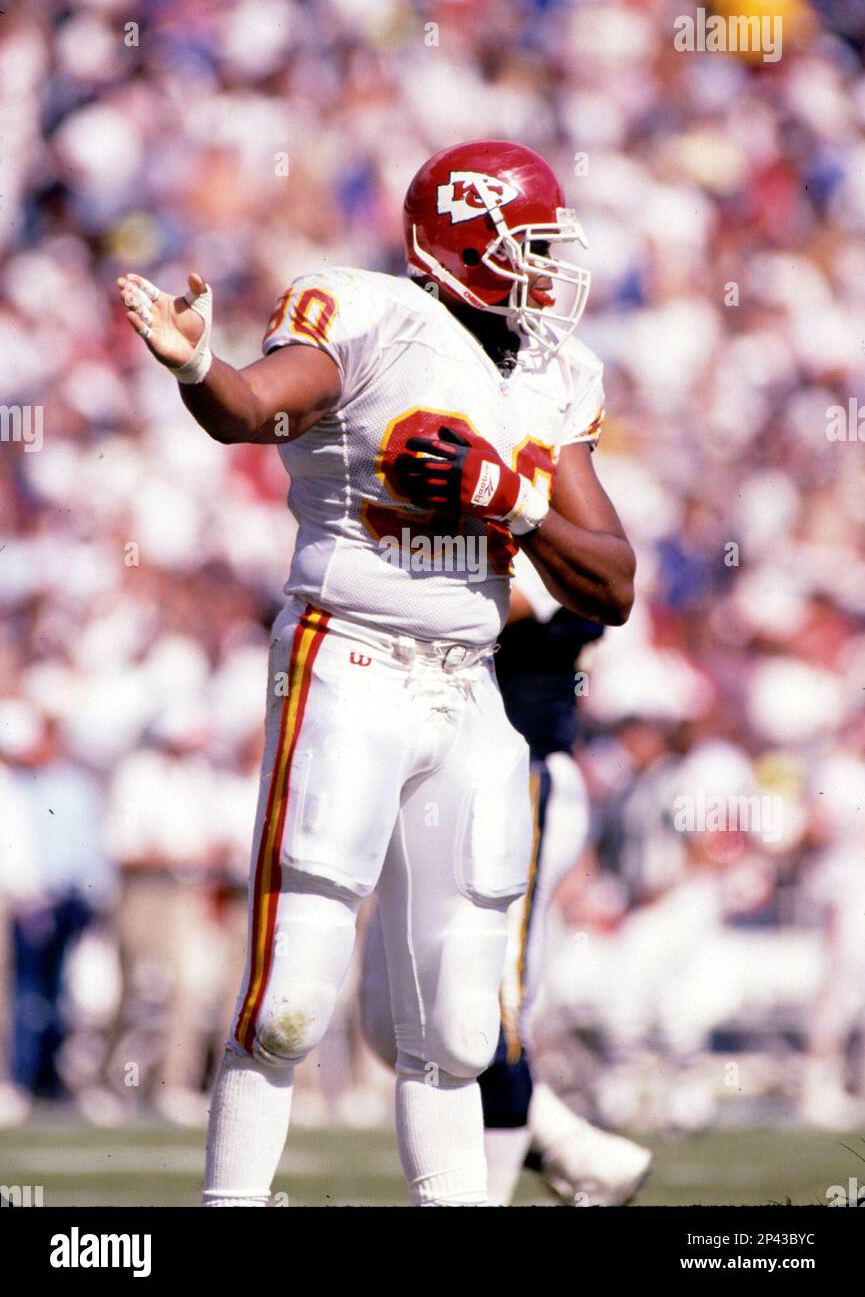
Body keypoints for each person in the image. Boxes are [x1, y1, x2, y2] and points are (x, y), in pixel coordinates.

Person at [116, 140, 634, 1207]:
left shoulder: (555, 370)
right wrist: (193, 367)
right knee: (293, 994)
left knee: (456, 1015)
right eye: (528, 247)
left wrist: (515, 501)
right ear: (462, 246)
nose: (548, 271)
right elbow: (251, 409)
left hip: (469, 683)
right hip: (346, 657)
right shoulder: (370, 314)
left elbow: (611, 581)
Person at [361, 551, 651, 1204]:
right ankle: (579, 1149)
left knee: (486, 1007)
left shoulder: (545, 522)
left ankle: (484, 1198)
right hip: (438, 777)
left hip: (520, 778)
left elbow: (481, 603)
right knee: (390, 1013)